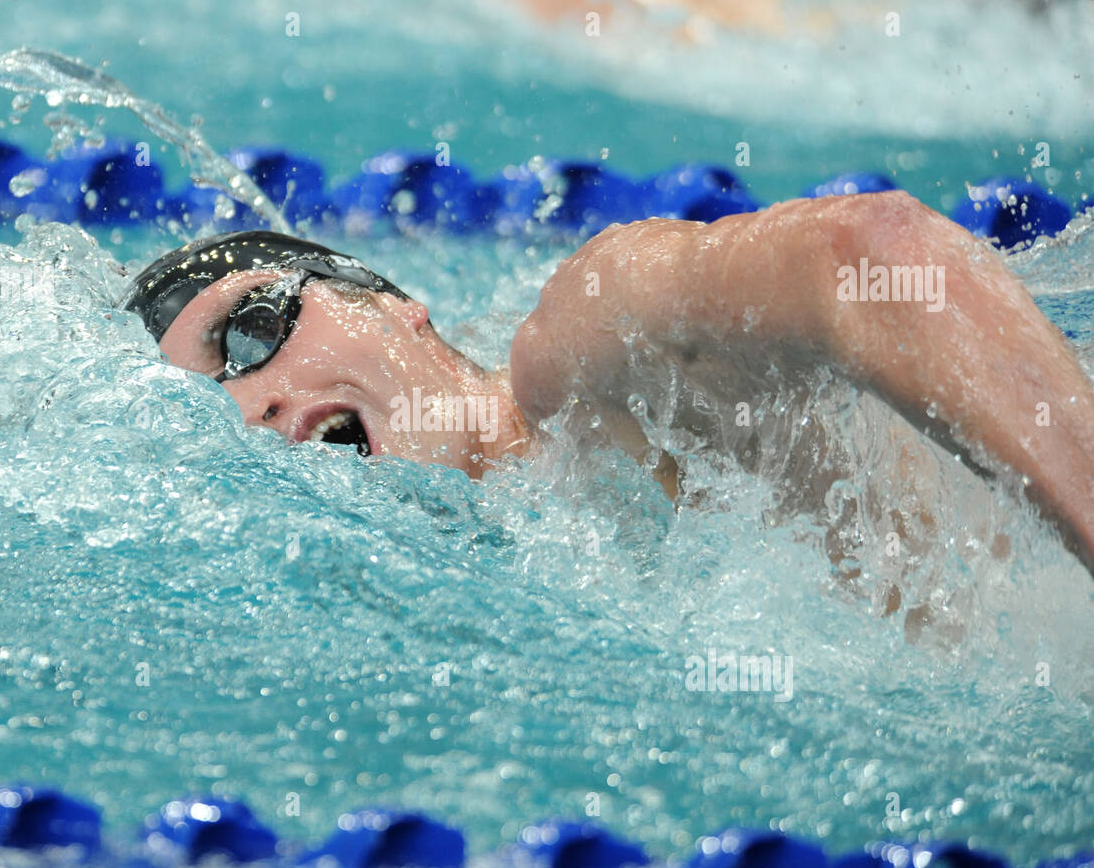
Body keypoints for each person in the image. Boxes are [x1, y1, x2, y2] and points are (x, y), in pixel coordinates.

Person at [125, 192, 1094, 591]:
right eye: (218, 412)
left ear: (391, 305)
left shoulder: (574, 353)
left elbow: (876, 256)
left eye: (250, 330)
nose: (253, 404)